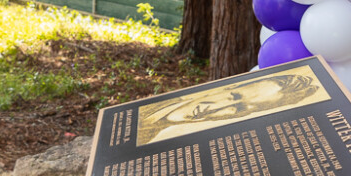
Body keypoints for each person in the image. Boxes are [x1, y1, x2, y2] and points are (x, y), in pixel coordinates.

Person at [136, 69, 331, 145]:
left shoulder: (177, 141)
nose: (221, 108)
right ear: (229, 85)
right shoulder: (144, 114)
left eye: (239, 109)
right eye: (234, 96)